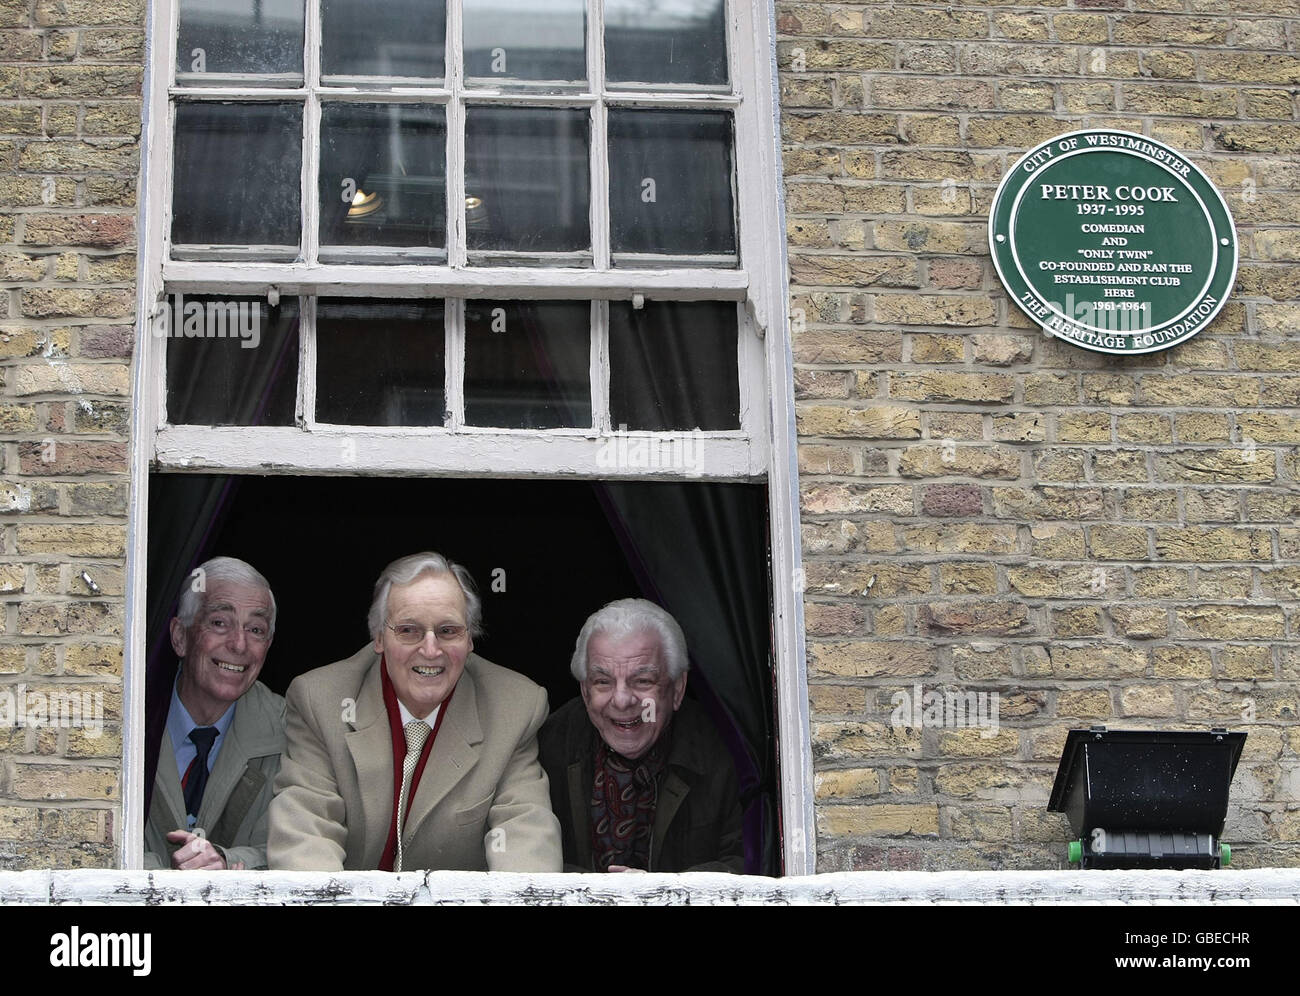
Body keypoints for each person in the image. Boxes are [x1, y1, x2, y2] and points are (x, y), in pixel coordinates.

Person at [268, 552, 561, 871]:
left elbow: (525, 838)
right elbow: (305, 838)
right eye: (409, 631)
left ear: (470, 640)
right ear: (379, 637)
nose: (431, 650)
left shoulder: (515, 707)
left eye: (448, 631)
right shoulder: (320, 701)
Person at [539, 598, 744, 873]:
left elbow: (748, 863)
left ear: (678, 689)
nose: (622, 701)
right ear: (585, 692)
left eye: (643, 681)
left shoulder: (726, 750)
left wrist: (659, 892)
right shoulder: (549, 746)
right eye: (603, 682)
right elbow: (523, 862)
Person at [145, 556, 286, 870]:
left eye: (256, 629)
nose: (239, 644)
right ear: (180, 636)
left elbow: (295, 851)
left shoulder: (291, 730)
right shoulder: (127, 720)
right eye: (220, 623)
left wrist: (228, 863)